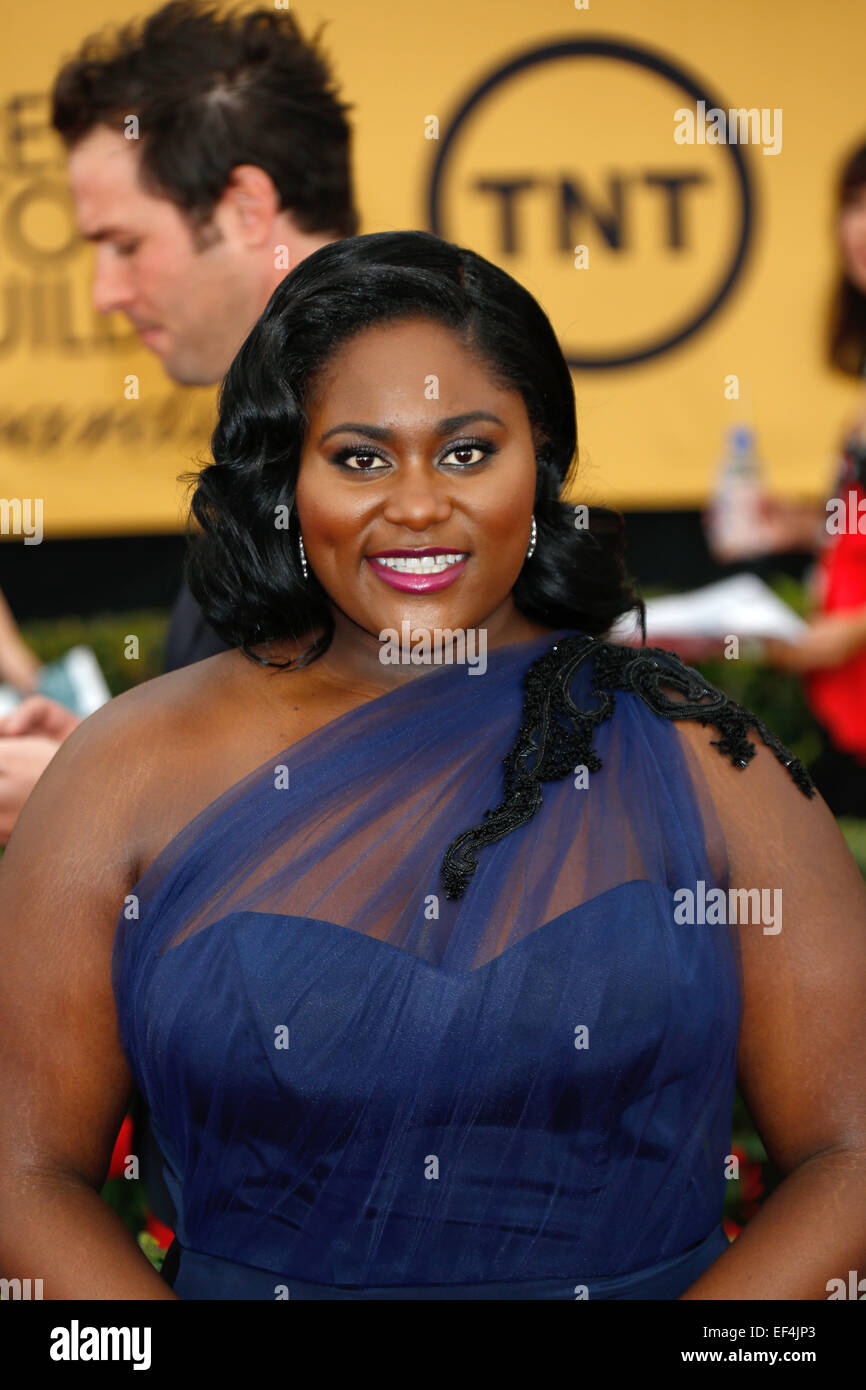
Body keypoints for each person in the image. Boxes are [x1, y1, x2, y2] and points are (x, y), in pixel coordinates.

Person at [1, 231, 864, 1300]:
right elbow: (24, 1176)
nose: (416, 505)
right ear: (287, 475)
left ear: (538, 459)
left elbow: (848, 1156)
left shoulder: (700, 758)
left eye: (466, 450)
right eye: (360, 456)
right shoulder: (122, 768)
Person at [0, 0, 359, 839]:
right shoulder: (281, 420)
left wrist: (94, 792)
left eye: (125, 245)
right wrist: (94, 753)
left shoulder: (394, 421)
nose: (104, 295)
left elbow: (409, 791)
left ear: (245, 209)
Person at [762, 139, 866, 813]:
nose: (862, 224)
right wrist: (802, 523)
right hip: (846, 719)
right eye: (853, 202)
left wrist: (853, 630)